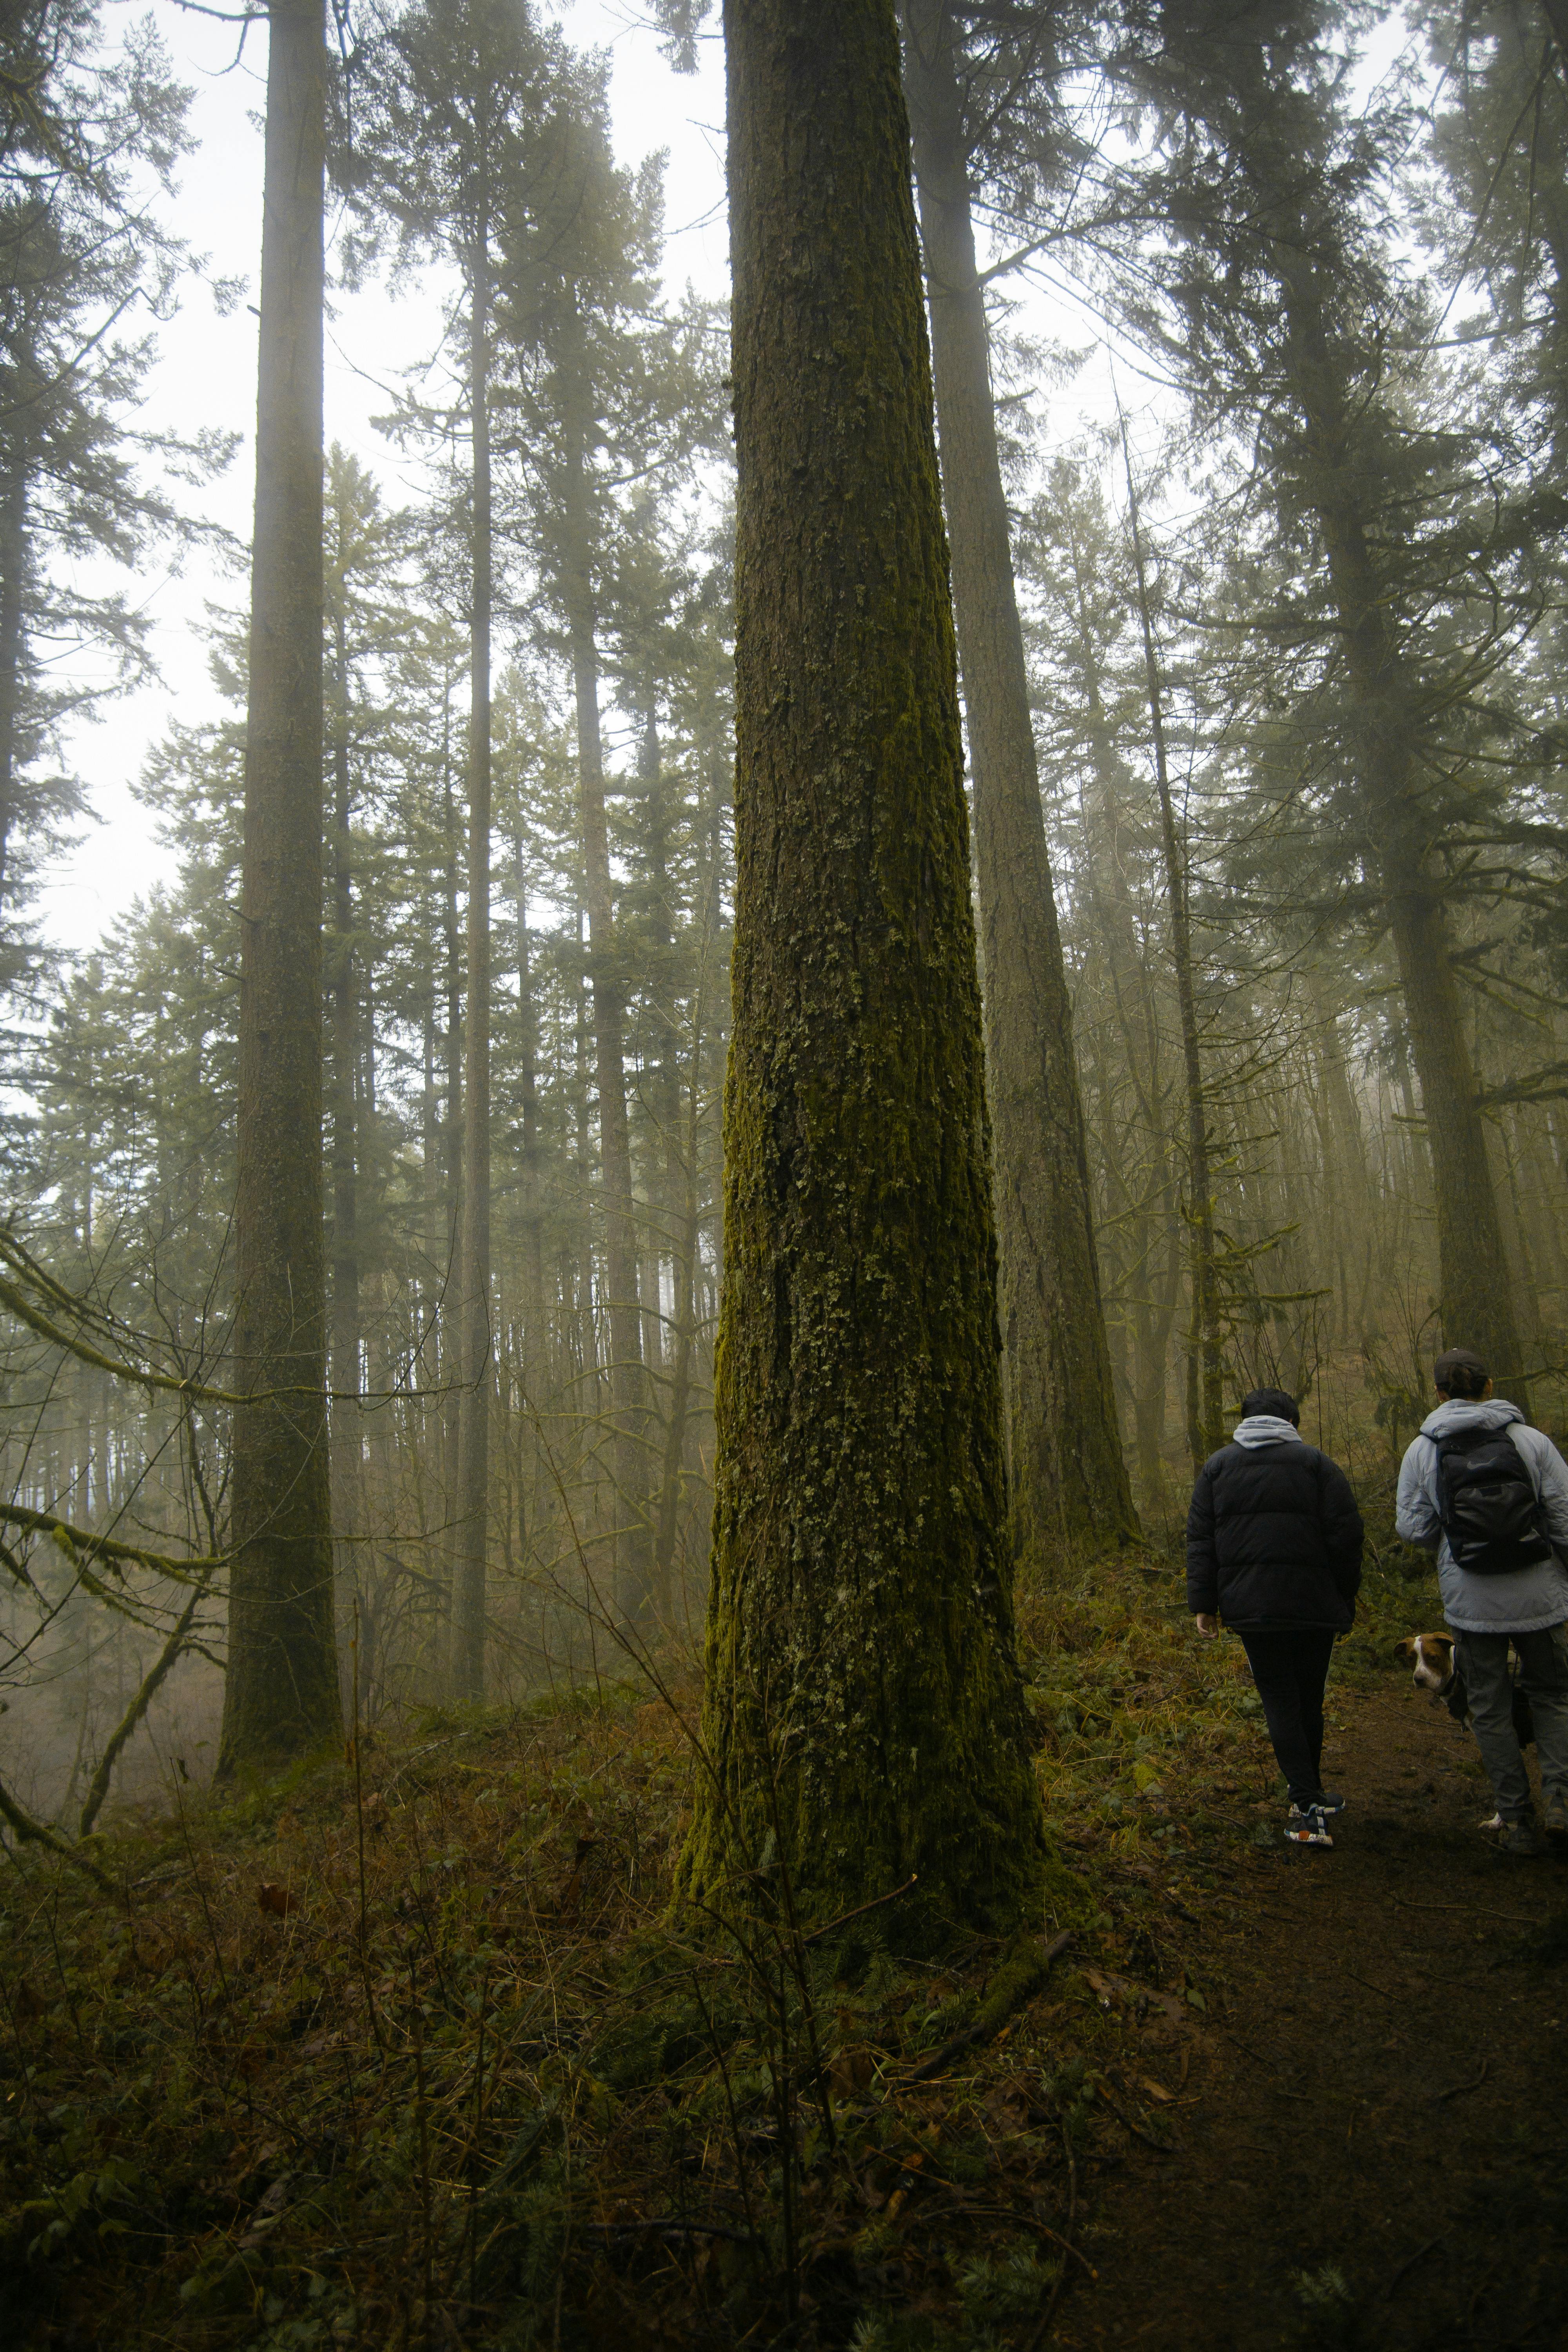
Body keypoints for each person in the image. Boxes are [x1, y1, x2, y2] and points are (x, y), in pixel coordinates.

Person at [1395, 1346, 1568, 1856]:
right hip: (1541, 1593)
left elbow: (1412, 1527)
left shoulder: (1423, 1451)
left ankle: (1516, 1821)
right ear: (1489, 1387)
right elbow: (1562, 1518)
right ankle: (1561, 1800)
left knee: (1489, 1709)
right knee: (1553, 1696)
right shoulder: (1530, 1441)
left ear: (1440, 1393)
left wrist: (1452, 1548)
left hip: (1472, 1602)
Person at [1187, 1387, 1364, 1847]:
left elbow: (1201, 1540)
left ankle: (1307, 1807)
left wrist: (1204, 1604)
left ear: (1244, 1419)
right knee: (1308, 1697)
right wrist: (1344, 1596)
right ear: (1292, 1420)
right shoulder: (1316, 1464)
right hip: (1313, 1605)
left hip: (1252, 1608)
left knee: (1281, 1699)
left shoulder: (1217, 1467)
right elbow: (1346, 1534)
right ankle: (1311, 1799)